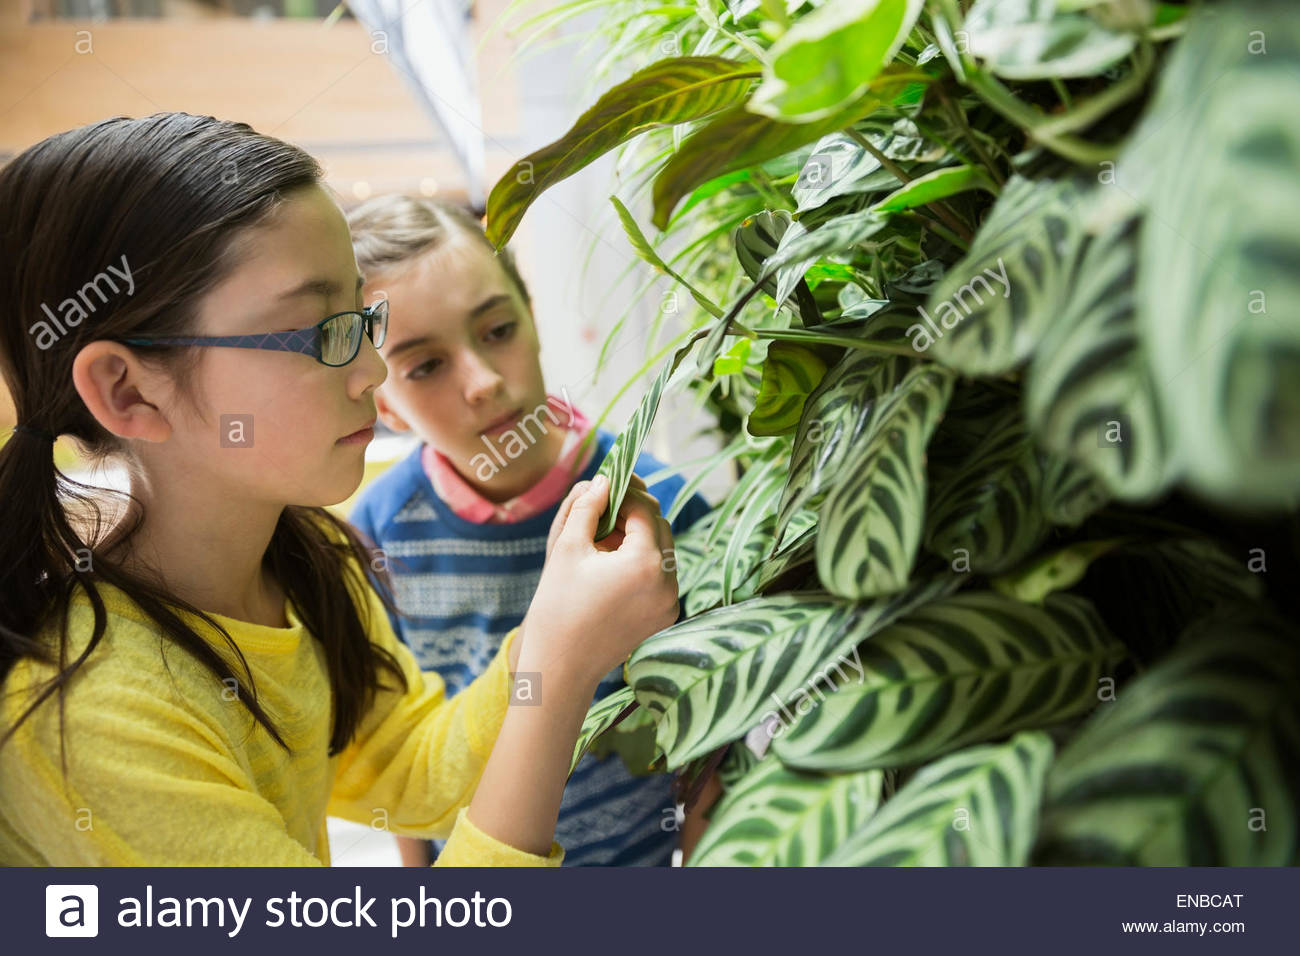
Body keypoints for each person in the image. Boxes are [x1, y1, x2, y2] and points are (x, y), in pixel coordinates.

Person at [0, 113, 679, 866]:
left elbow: (416, 769)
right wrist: (560, 663)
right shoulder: (91, 719)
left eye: (361, 317)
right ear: (128, 392)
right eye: (317, 333)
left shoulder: (305, 554)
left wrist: (557, 632)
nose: (372, 372)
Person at [346, 194, 712, 866]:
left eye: (497, 331)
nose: (483, 382)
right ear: (383, 403)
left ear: (532, 320)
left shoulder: (662, 509)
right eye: (425, 366)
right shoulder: (377, 532)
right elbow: (397, 739)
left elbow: (714, 726)